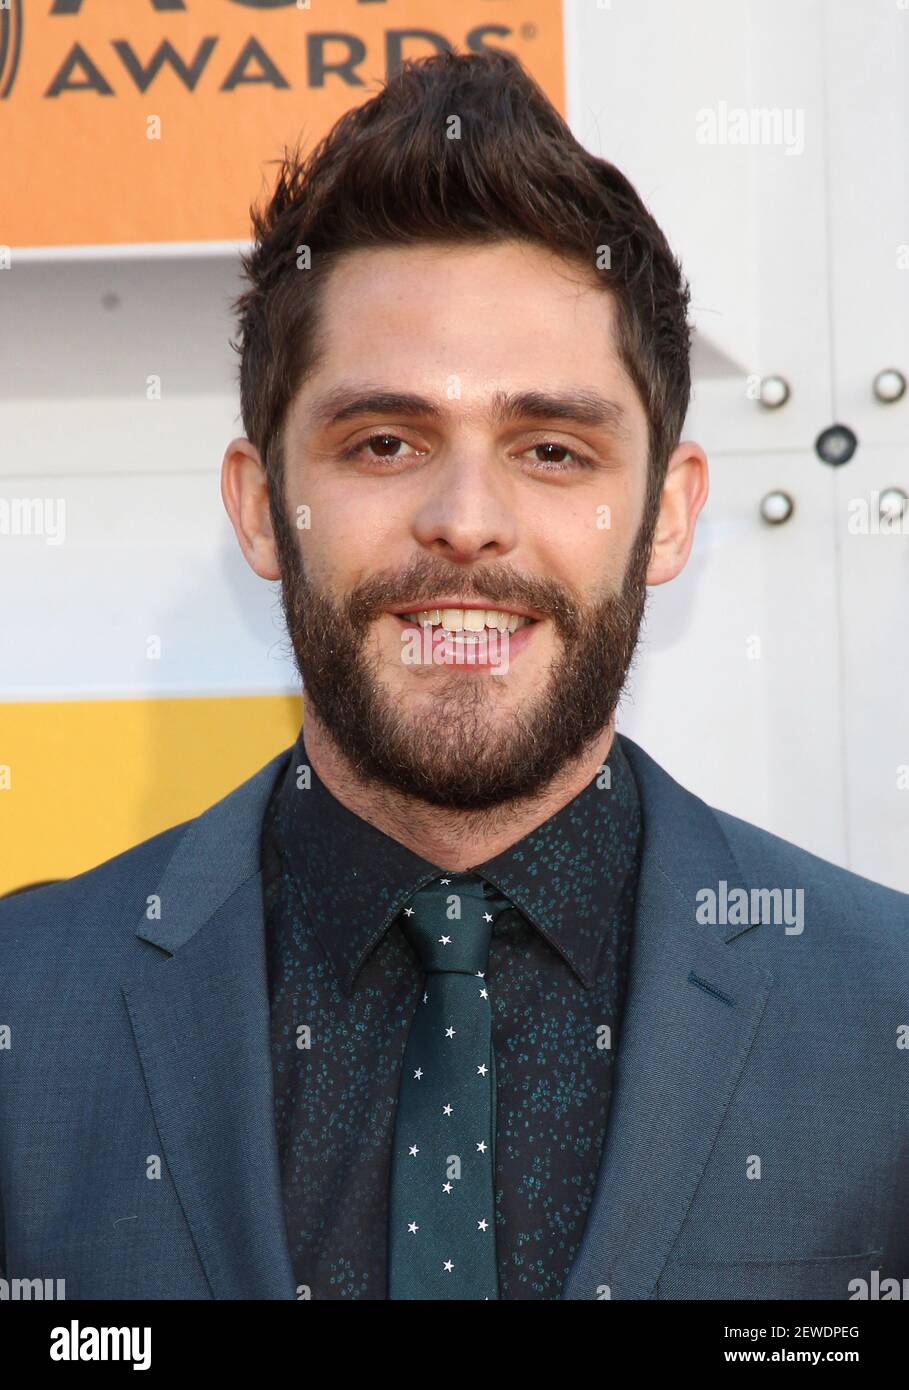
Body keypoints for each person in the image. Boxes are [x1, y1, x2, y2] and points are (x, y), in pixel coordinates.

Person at [1, 50, 906, 1303]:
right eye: (384, 441)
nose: (467, 520)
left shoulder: (884, 1017)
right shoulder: (23, 1017)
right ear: (263, 509)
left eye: (551, 447)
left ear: (667, 515)